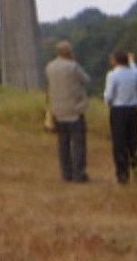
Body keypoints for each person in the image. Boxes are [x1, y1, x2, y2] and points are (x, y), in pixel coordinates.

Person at [45, 40, 90, 182]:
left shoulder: (49, 67)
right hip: (74, 110)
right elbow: (86, 79)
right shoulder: (73, 66)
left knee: (63, 144)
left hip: (57, 110)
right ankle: (78, 173)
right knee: (78, 143)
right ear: (69, 52)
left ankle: (66, 173)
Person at [103, 50, 137, 184]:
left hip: (118, 110)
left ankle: (122, 175)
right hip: (133, 110)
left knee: (120, 143)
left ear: (115, 60)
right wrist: (132, 61)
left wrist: (108, 103)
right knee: (135, 142)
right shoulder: (134, 73)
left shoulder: (112, 75)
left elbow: (108, 95)